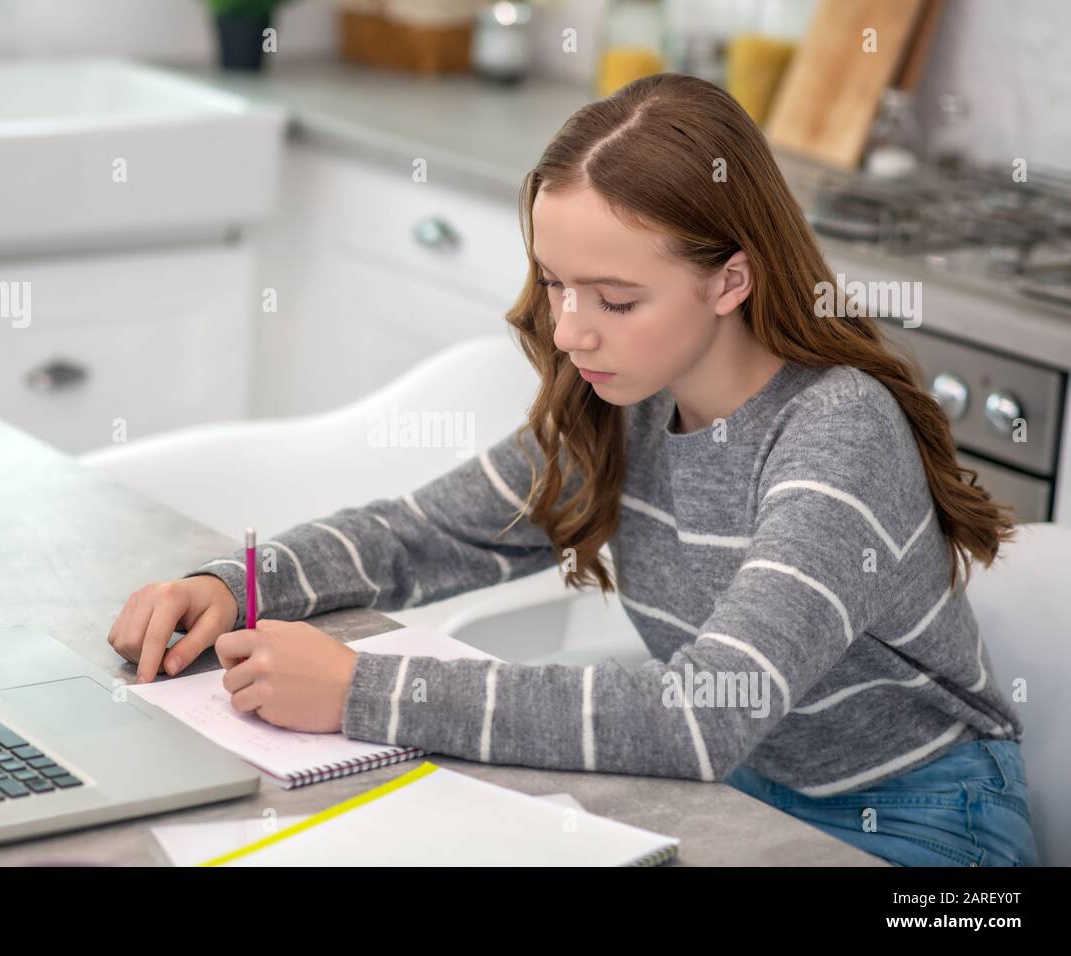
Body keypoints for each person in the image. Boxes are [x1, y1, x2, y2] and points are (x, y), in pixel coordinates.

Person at [107, 73, 1039, 867]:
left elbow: (702, 715)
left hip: (930, 837)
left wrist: (360, 691)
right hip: (751, 793)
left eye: (617, 298)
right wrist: (240, 585)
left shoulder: (836, 431)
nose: (568, 329)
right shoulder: (629, 398)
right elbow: (433, 532)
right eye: (556, 283)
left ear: (731, 281)